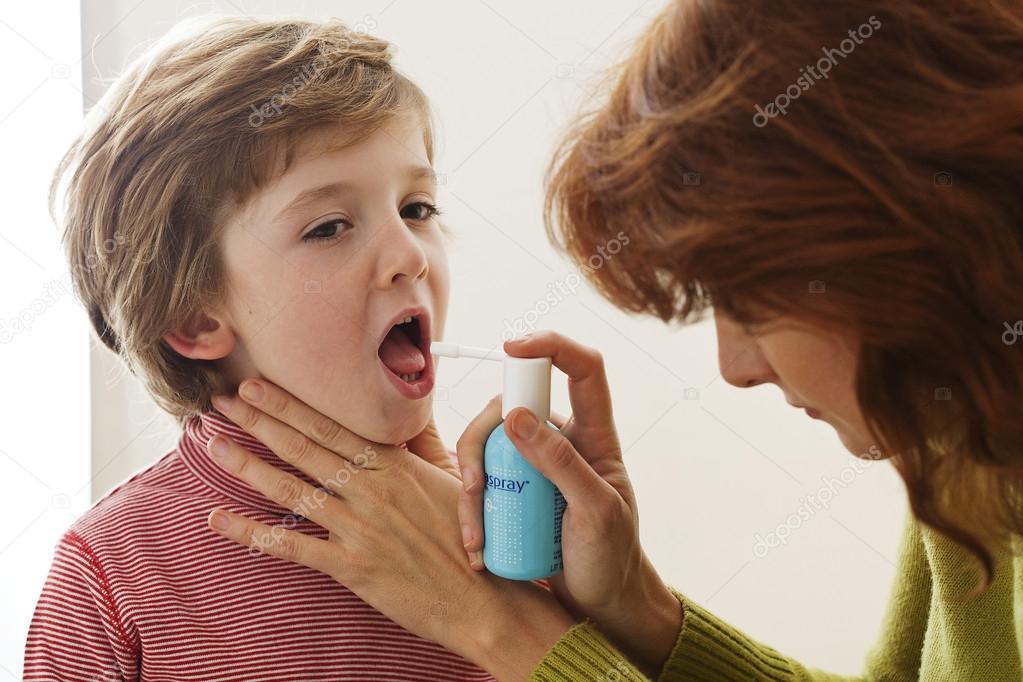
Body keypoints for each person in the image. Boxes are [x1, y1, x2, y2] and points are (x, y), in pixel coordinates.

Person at [203, 0, 1023, 680]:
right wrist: (634, 607)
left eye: (748, 296)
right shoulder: (960, 436)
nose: (734, 368)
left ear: (919, 234)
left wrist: (507, 634)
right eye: (327, 226)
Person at [24, 16, 508, 681]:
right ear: (195, 318)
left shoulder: (506, 541)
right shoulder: (113, 573)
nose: (409, 255)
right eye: (329, 227)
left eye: (416, 209)